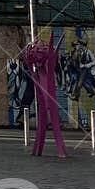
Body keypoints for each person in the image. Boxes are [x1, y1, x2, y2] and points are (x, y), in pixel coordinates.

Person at [23, 28, 67, 158]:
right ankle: (57, 150)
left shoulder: (45, 64)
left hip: (47, 95)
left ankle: (42, 150)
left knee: (48, 112)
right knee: (46, 112)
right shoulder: (39, 67)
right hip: (44, 95)